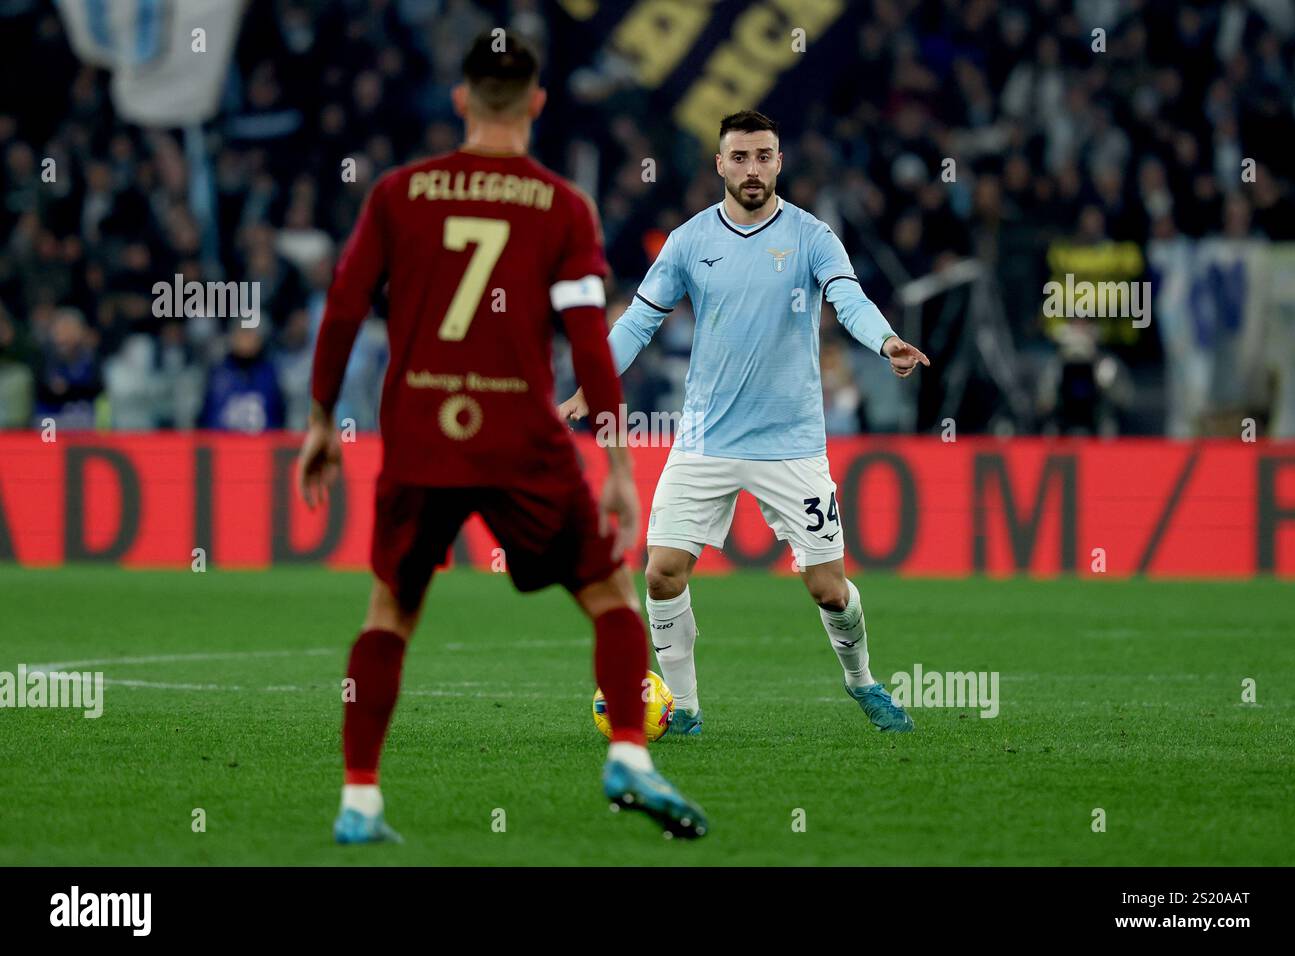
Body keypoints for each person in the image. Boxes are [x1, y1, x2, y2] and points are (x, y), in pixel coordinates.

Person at [297, 31, 707, 843]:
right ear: (537, 105)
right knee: (606, 595)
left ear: (461, 101)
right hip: (520, 433)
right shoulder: (560, 205)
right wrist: (618, 458)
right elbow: (591, 340)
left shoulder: (399, 192)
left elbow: (343, 307)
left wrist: (318, 421)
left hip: (420, 429)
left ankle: (359, 801)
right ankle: (629, 753)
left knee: (390, 610)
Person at [560, 111, 928, 736]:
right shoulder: (688, 241)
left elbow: (848, 297)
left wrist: (885, 340)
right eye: (741, 157)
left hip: (791, 444)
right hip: (704, 439)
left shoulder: (813, 237)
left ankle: (863, 681)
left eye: (764, 156)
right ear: (720, 165)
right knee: (660, 570)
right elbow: (638, 322)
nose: (753, 169)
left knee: (828, 588)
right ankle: (686, 710)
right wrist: (587, 389)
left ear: (779, 162)